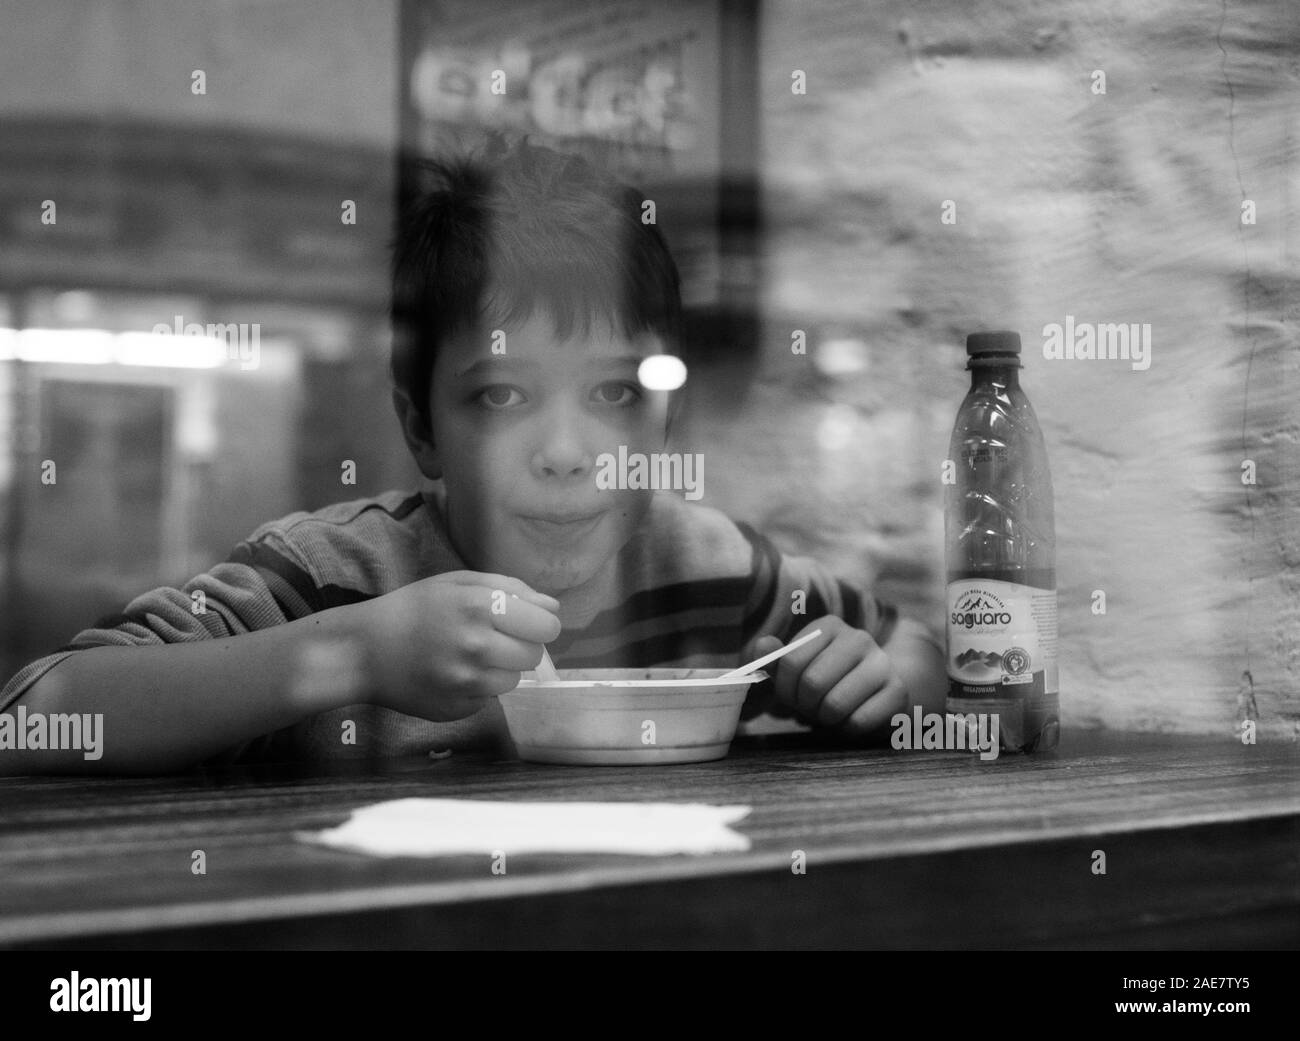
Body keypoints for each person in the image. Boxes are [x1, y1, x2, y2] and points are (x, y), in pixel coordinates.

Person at [0, 135, 945, 774]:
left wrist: (875, 682)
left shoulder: (711, 568)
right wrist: (351, 654)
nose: (569, 453)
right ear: (421, 429)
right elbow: (36, 716)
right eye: (502, 396)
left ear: (669, 421)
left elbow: (919, 649)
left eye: (616, 394)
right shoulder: (335, 577)